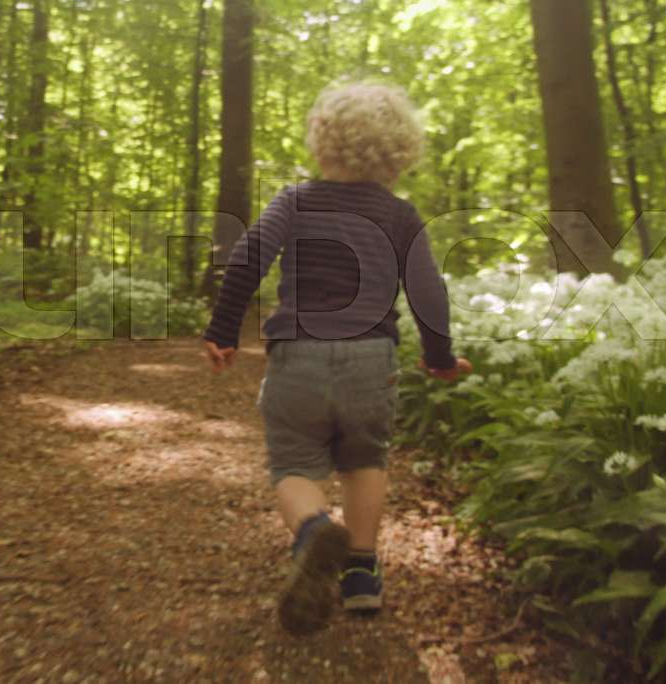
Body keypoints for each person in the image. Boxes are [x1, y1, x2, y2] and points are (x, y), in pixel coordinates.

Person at [201, 79, 471, 636]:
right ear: (399, 152)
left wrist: (224, 328)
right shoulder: (400, 214)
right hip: (373, 358)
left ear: (321, 141)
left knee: (294, 463)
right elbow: (427, 290)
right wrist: (440, 356)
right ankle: (362, 574)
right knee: (364, 461)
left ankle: (312, 529)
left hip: (297, 354)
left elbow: (248, 257)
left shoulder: (294, 201)